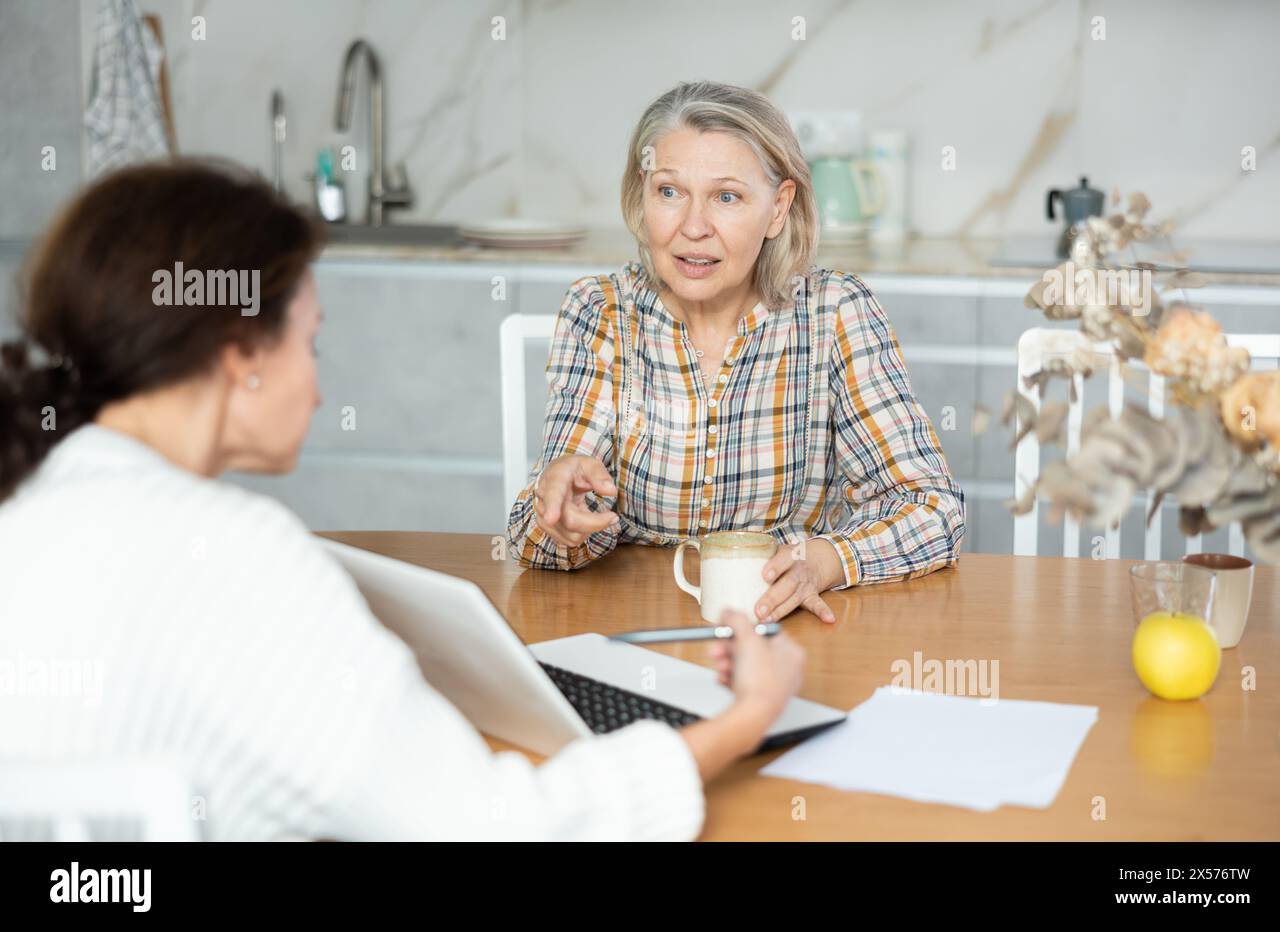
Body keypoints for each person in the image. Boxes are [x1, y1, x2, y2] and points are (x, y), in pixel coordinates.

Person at [0, 159, 804, 841]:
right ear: (240, 354)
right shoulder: (239, 558)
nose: (319, 390)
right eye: (308, 344)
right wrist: (744, 720)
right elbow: (492, 830)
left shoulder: (32, 503)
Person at [508, 82, 965, 624]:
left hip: (789, 636)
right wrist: (559, 513)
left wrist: (827, 560)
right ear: (642, 196)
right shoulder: (601, 312)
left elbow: (935, 512)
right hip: (631, 629)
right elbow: (534, 538)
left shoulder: (834, 311)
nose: (693, 227)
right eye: (670, 192)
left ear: (778, 209)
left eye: (727, 197)